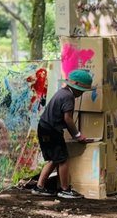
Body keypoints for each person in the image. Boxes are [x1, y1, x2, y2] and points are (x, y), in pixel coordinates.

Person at [28, 68, 94, 200]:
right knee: (63, 159)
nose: (81, 94)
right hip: (52, 130)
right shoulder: (68, 97)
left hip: (44, 128)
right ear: (75, 85)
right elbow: (68, 119)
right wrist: (77, 135)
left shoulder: (62, 93)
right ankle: (65, 189)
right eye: (81, 90)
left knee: (54, 158)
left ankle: (39, 187)